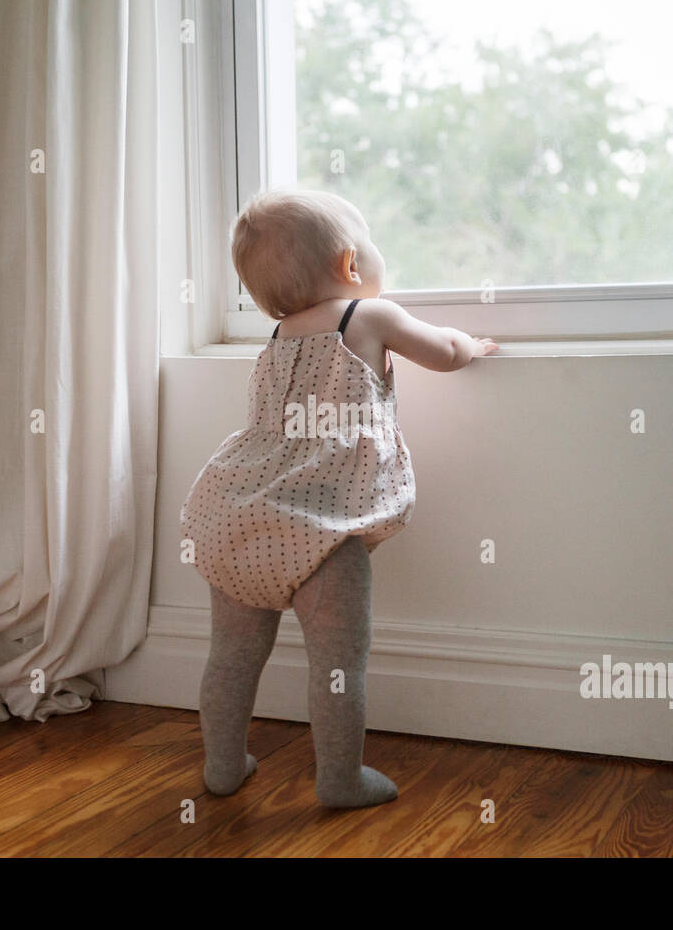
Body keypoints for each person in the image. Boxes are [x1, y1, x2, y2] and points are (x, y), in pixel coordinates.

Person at [179, 187, 498, 807]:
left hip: (239, 520)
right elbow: (443, 352)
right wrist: (472, 343)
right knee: (337, 666)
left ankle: (221, 769)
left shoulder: (277, 338)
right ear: (351, 266)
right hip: (323, 531)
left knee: (232, 658)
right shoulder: (368, 318)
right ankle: (339, 779)